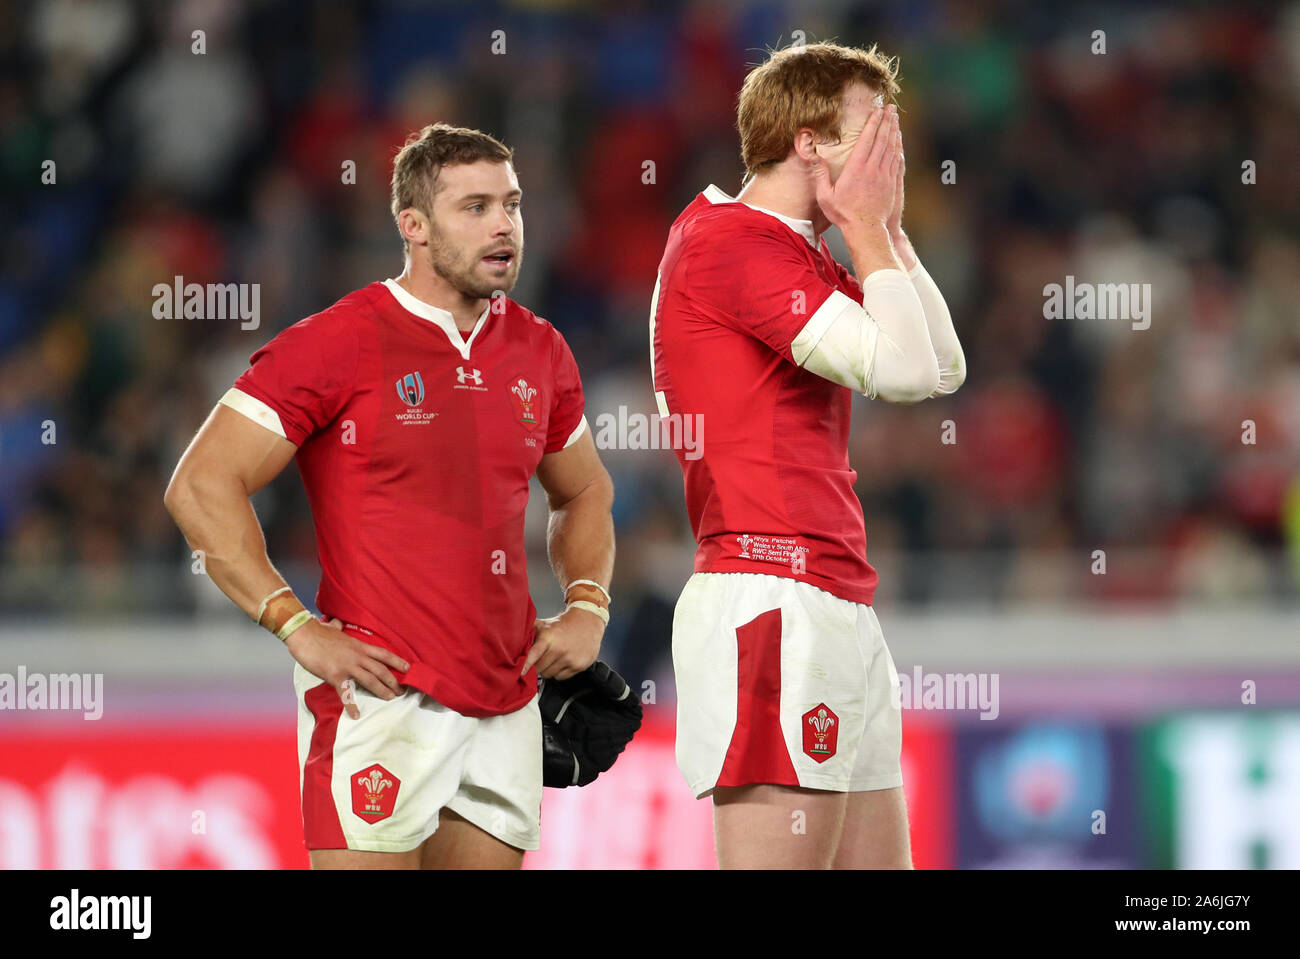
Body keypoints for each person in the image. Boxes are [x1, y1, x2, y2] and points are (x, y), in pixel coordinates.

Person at [165, 123, 615, 869]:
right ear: (414, 227)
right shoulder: (336, 340)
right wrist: (295, 624)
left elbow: (585, 488)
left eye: (513, 204)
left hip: (504, 698)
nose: (504, 224)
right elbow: (201, 484)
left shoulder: (542, 350)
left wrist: (589, 603)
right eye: (475, 207)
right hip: (376, 698)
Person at [649, 42, 966, 868]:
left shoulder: (797, 251)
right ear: (809, 141)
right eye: (874, 136)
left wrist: (887, 227)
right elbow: (899, 373)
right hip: (768, 596)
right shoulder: (729, 244)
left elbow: (940, 364)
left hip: (829, 595)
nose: (891, 159)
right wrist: (867, 228)